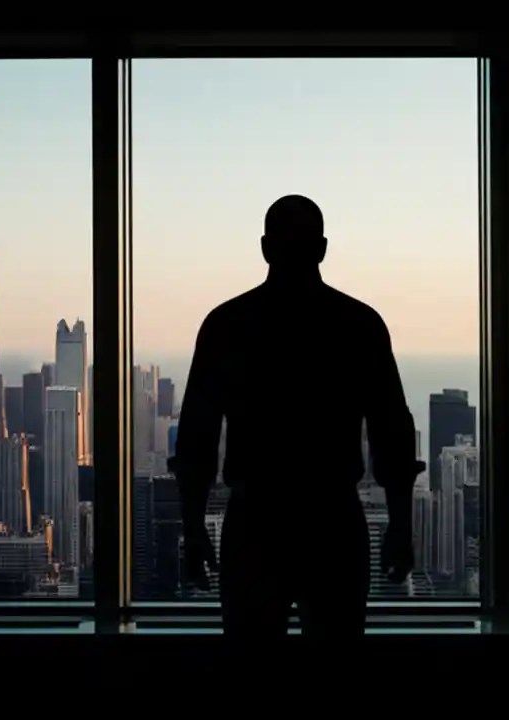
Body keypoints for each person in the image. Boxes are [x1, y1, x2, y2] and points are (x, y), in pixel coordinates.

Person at [170, 194, 422, 637]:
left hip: (255, 524)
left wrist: (193, 529)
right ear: (322, 249)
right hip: (333, 525)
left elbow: (196, 442)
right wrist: (400, 527)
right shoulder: (360, 325)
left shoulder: (226, 326)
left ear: (265, 248)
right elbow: (393, 436)